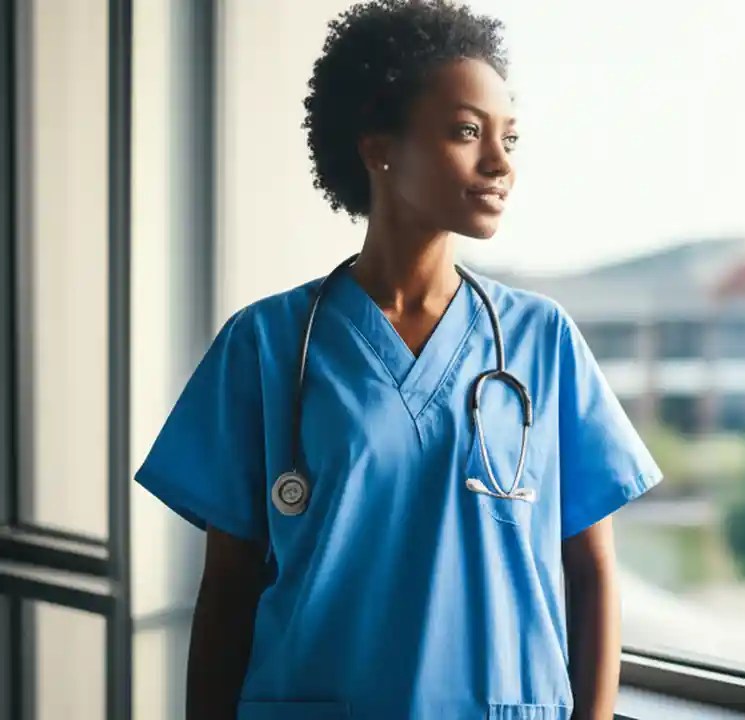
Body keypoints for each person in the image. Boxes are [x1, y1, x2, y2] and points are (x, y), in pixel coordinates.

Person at [134, 2, 663, 718]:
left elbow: (592, 573)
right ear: (380, 147)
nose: (500, 162)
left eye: (509, 137)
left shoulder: (543, 341)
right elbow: (227, 591)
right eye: (467, 132)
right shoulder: (265, 343)